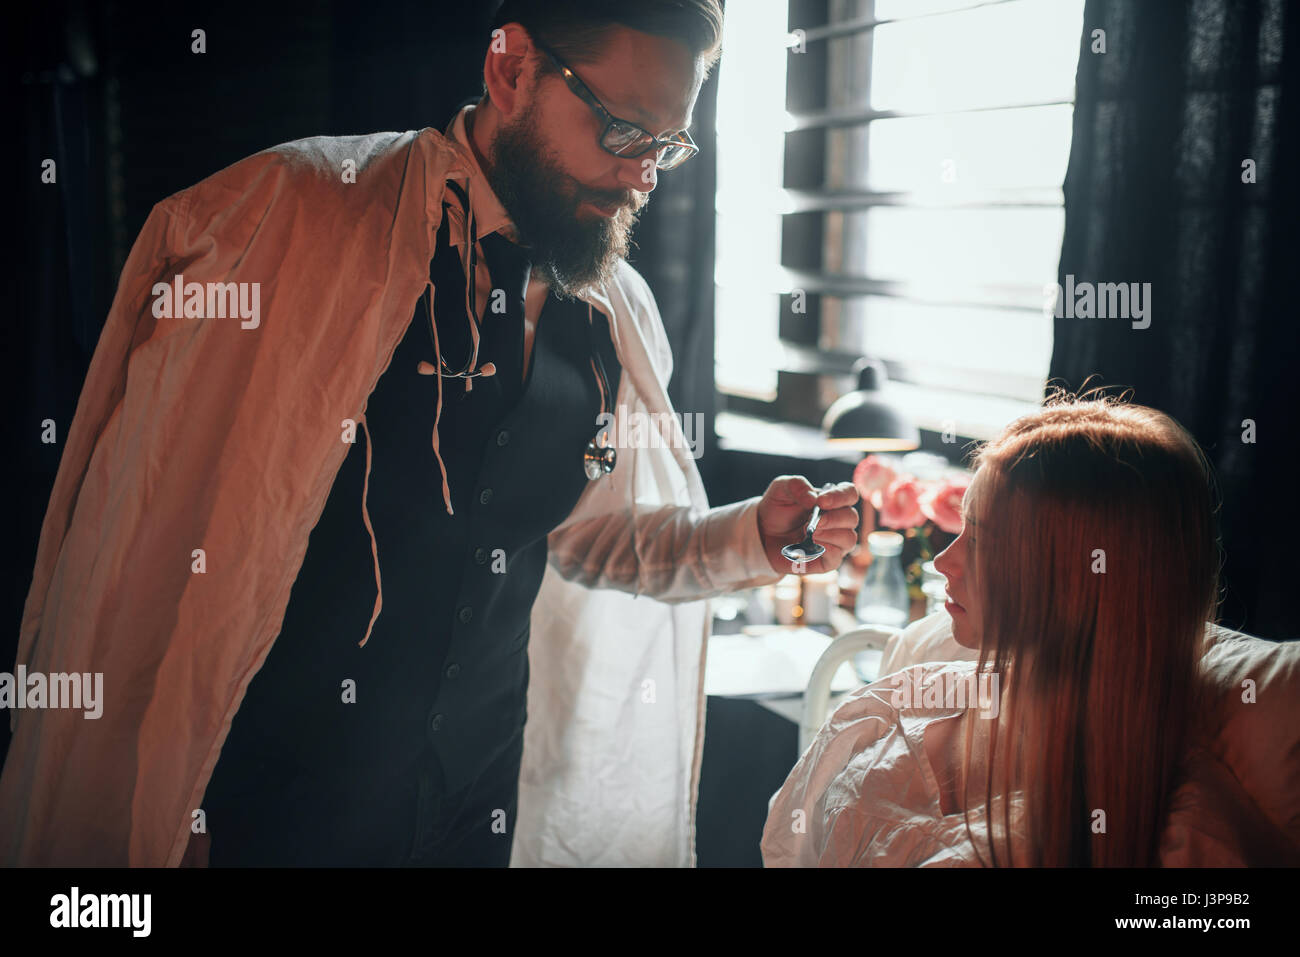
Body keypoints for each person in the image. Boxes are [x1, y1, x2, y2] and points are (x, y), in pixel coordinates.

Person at [1, 0, 863, 866]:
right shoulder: (290, 222)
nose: (642, 177)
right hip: (266, 810)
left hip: (472, 807)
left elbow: (588, 539)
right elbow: (152, 544)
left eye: (665, 147)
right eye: (623, 131)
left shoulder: (611, 312)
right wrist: (153, 811)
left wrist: (750, 534)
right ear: (512, 69)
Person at [762, 391, 1300, 867]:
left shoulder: (1177, 837)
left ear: (1081, 577)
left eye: (984, 541)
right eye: (962, 530)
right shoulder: (900, 704)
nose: (945, 563)